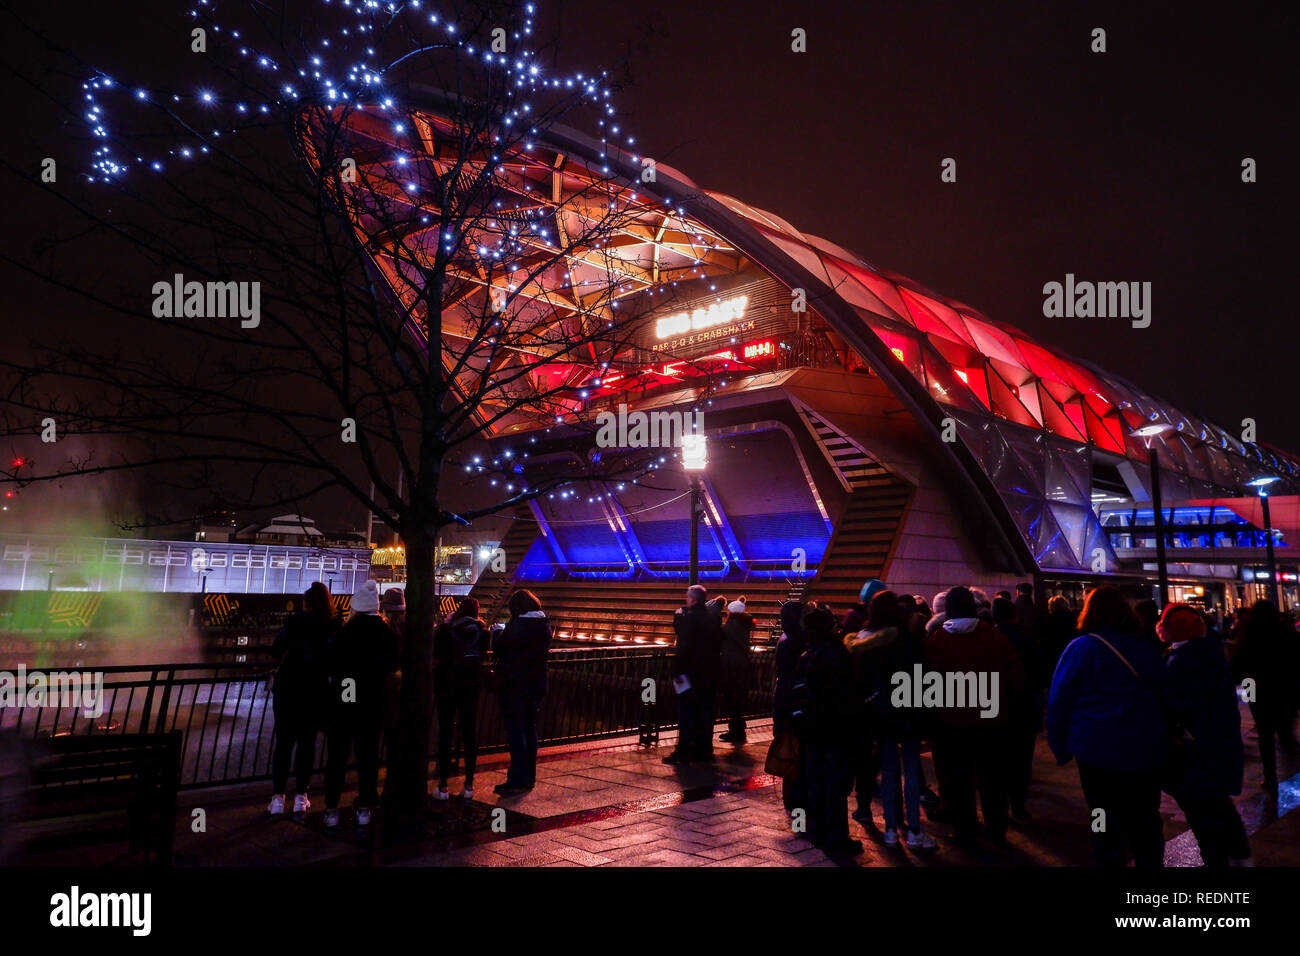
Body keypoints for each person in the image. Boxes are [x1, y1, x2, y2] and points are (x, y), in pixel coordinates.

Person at [1047, 586, 1167, 867]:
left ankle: (1109, 857)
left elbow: (1060, 699)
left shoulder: (1082, 648)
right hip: (1144, 746)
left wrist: (1060, 745)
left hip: (1097, 749)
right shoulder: (1143, 647)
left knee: (1102, 814)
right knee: (1145, 815)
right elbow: (1166, 693)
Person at [925, 586, 1024, 851]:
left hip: (952, 724)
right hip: (991, 722)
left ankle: (965, 831)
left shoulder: (936, 640)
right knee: (992, 780)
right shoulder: (993, 636)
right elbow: (1015, 678)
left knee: (959, 782)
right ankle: (996, 829)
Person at [1158, 604, 1252, 867]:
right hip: (1215, 747)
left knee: (1203, 812)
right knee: (1217, 805)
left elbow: (1177, 705)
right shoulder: (1209, 652)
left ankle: (1219, 860)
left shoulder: (1182, 661)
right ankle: (1239, 855)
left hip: (1193, 752)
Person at [847, 589, 936, 850]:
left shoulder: (861, 640)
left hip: (876, 713)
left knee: (887, 770)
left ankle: (889, 829)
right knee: (910, 769)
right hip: (906, 710)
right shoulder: (905, 638)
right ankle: (915, 831)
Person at [323, 579, 399, 827]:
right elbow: (392, 665)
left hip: (347, 695)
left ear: (356, 607)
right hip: (374, 699)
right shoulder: (387, 633)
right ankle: (365, 808)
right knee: (368, 757)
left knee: (337, 756)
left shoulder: (346, 631)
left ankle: (332, 809)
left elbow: (333, 663)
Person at [792, 603, 862, 858]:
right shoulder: (839, 653)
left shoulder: (807, 655)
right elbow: (849, 693)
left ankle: (818, 830)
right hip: (836, 728)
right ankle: (837, 837)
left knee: (816, 781)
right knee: (836, 785)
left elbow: (799, 695)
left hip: (812, 729)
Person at [267, 582, 337, 815]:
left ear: (305, 602)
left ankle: (277, 798)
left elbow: (276, 650)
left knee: (284, 745)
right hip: (314, 691)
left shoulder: (294, 622)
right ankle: (301, 796)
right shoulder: (331, 625)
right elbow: (335, 661)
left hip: (287, 690)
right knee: (307, 745)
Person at [1232, 600, 1300, 792]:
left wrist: (1249, 693)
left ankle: (1270, 775)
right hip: (1284, 689)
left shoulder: (1248, 636)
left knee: (1265, 735)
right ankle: (1292, 764)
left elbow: (1239, 667)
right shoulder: (1286, 634)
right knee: (1286, 731)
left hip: (1258, 689)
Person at [993, 596, 1047, 821]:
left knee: (997, 759)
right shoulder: (1027, 639)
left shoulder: (990, 639)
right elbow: (1038, 674)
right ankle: (1018, 804)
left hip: (995, 708)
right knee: (1022, 759)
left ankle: (998, 806)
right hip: (1023, 706)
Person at [493, 589, 552, 794]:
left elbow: (500, 648)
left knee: (516, 732)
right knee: (529, 728)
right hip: (536, 685)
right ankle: (529, 777)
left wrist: (497, 632)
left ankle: (517, 777)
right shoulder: (544, 625)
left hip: (515, 685)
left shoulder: (517, 626)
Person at [433, 596, 488, 800]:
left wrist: (445, 625)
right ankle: (469, 785)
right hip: (471, 686)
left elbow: (436, 652)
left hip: (447, 685)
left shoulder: (446, 631)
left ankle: (443, 785)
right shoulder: (483, 633)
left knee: (445, 732)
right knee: (469, 733)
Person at [666, 584, 723, 764]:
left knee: (685, 712)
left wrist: (676, 673)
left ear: (693, 598)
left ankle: (683, 751)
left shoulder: (688, 618)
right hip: (708, 675)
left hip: (688, 675)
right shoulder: (712, 618)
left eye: (687, 596)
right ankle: (704, 751)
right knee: (705, 713)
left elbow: (683, 646)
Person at [772, 600, 807, 811]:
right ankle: (795, 797)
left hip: (785, 700)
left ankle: (791, 797)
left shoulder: (785, 640)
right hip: (795, 702)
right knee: (797, 749)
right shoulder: (799, 641)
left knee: (789, 748)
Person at [718, 597, 754, 744]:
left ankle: (736, 731)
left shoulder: (730, 627)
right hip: (742, 666)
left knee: (731, 699)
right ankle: (737, 729)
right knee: (738, 700)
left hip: (731, 667)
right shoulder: (744, 625)